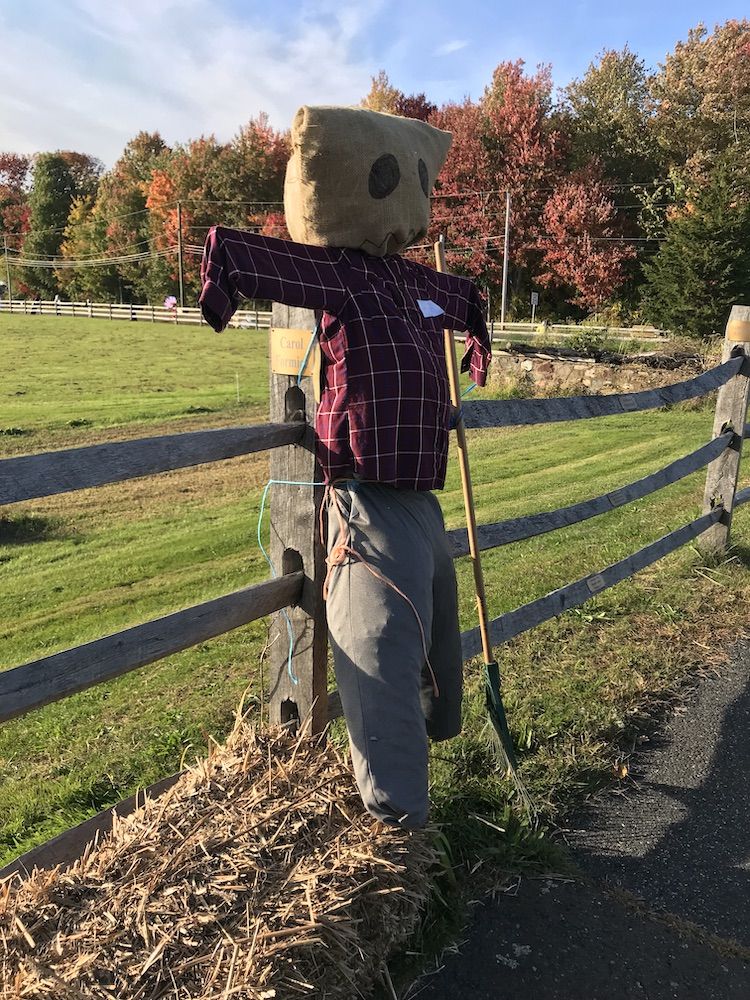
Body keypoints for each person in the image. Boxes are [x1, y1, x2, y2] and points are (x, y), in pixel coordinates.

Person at [199, 106, 491, 830]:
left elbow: (469, 300)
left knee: (436, 654)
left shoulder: (417, 285)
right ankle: (399, 828)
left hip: (424, 500)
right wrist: (218, 291)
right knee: (378, 649)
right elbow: (241, 256)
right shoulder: (342, 277)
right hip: (362, 498)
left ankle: (432, 762)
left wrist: (474, 347)